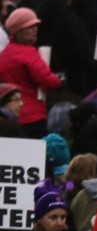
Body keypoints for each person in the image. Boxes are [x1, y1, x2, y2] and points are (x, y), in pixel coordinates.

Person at [0, 8, 63, 136]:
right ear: (19, 31)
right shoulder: (29, 53)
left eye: (36, 25)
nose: (35, 29)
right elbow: (48, 81)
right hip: (33, 117)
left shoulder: (5, 53)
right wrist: (59, 80)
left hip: (13, 114)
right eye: (29, 27)